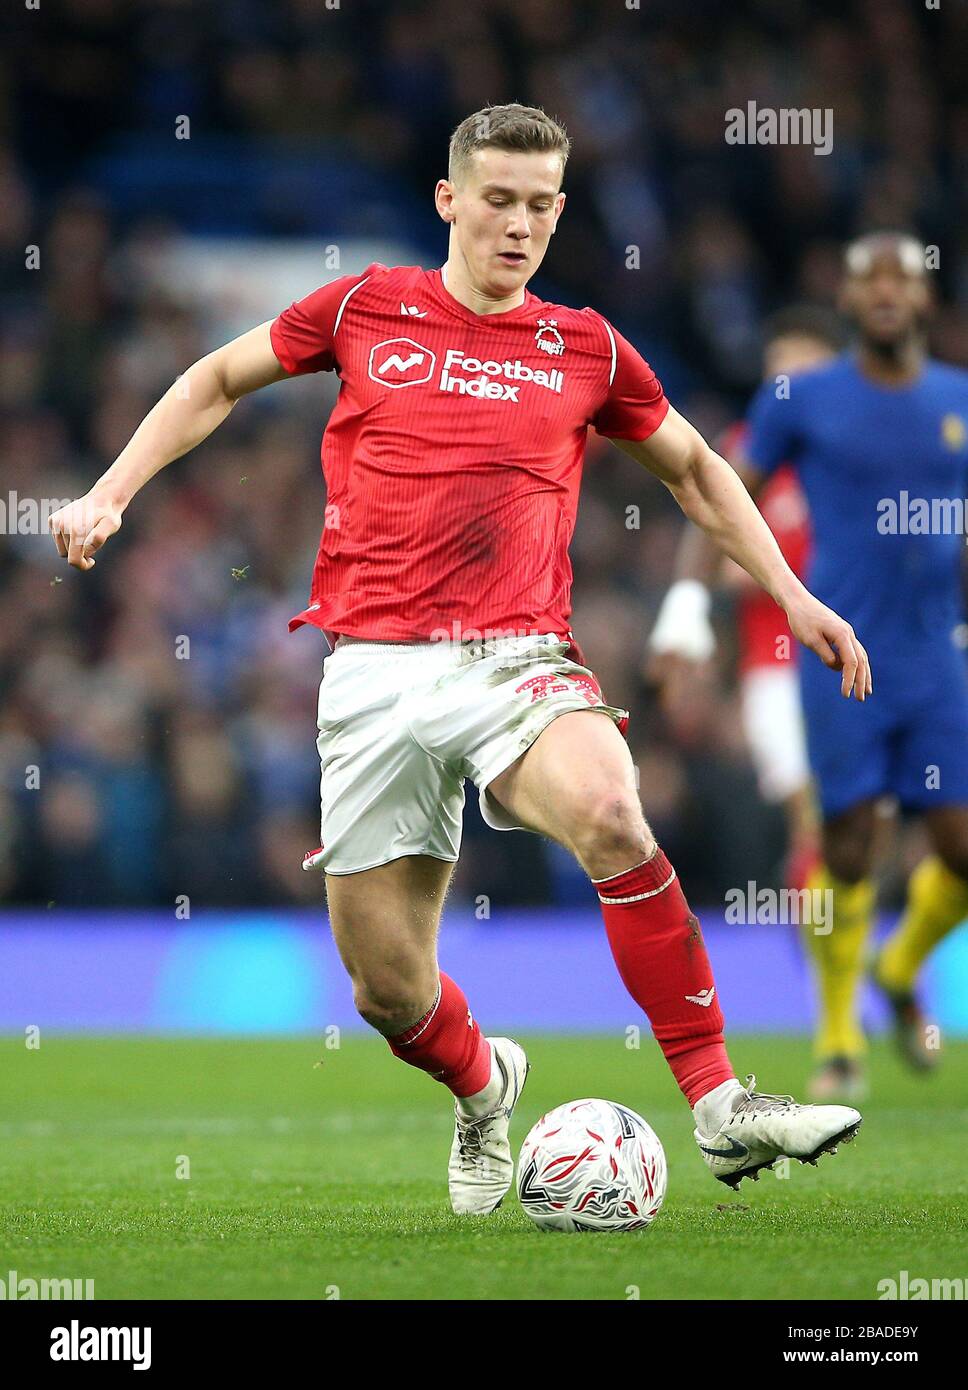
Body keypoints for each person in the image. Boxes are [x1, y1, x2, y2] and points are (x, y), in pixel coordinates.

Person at [48, 104, 871, 1212]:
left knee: (611, 810)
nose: (517, 224)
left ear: (559, 212)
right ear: (449, 200)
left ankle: (719, 1102)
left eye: (539, 205)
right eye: (496, 200)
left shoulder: (582, 345)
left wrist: (790, 592)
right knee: (388, 988)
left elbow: (696, 470)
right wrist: (110, 491)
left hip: (515, 658)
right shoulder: (362, 305)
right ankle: (483, 1085)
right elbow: (212, 382)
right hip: (373, 672)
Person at [657, 232, 968, 1101]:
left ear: (924, 298)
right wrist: (687, 608)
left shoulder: (959, 399)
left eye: (899, 277)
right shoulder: (804, 398)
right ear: (849, 296)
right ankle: (840, 1036)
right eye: (866, 275)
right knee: (849, 846)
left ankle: (901, 970)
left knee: (960, 848)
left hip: (939, 657)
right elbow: (719, 492)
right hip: (838, 652)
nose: (883, 291)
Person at [649, 307, 843, 896]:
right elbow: (710, 541)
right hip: (774, 669)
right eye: (777, 373)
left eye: (802, 371)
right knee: (806, 809)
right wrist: (690, 616)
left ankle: (841, 921)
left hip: (865, 658)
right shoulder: (746, 451)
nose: (786, 388)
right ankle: (822, 937)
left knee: (861, 820)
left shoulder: (859, 456)